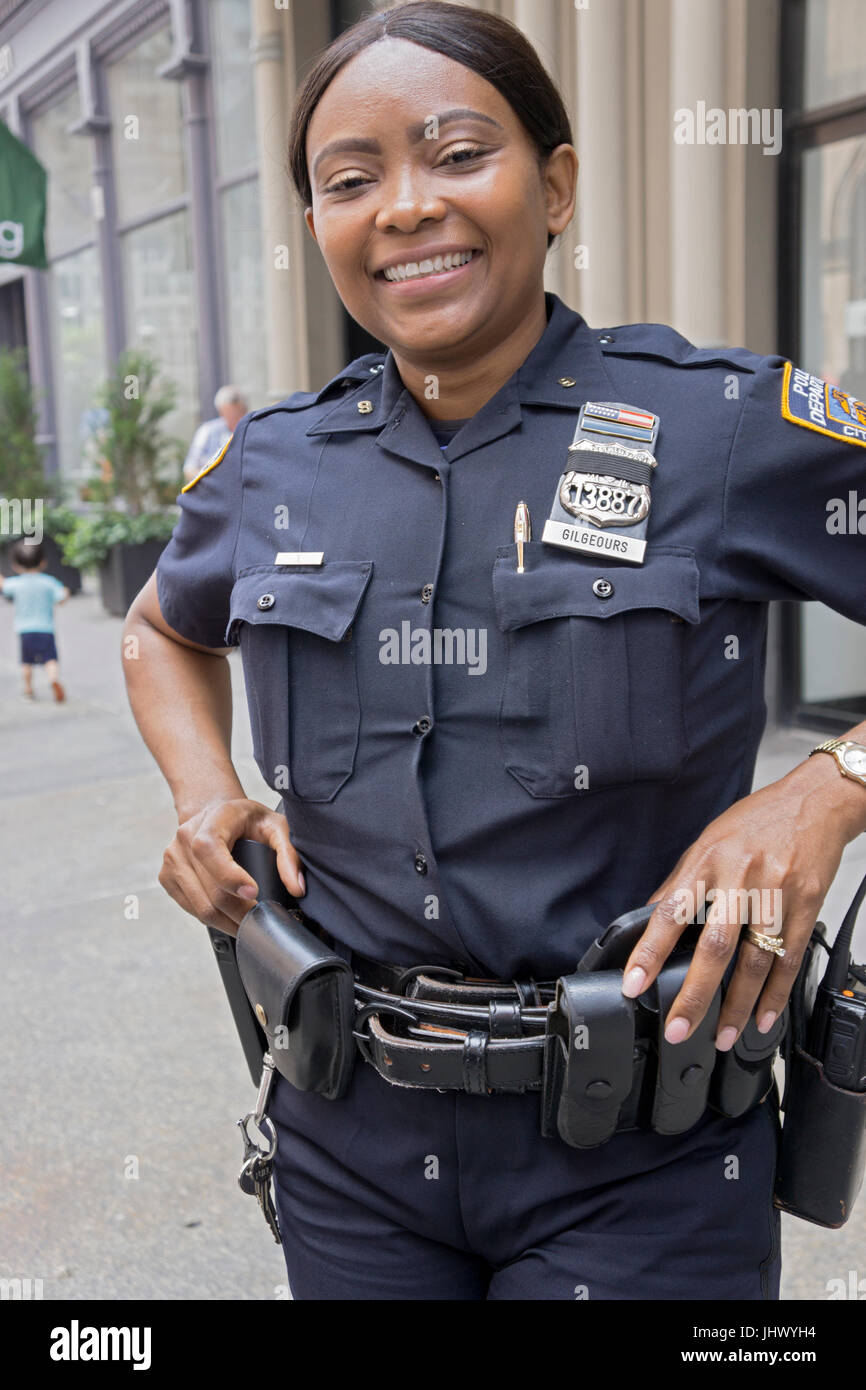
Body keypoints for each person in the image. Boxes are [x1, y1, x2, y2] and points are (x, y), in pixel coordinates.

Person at [122, 1, 866, 1301]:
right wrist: (202, 791)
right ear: (315, 230)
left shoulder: (718, 428)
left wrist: (828, 788)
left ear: (557, 183)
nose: (403, 207)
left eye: (457, 154)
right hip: (348, 1143)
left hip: (648, 1155)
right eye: (349, 181)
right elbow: (155, 629)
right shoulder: (270, 462)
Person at [1, 539, 68, 702]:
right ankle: (53, 679)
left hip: (25, 631)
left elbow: (3, 586)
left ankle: (28, 690)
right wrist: (65, 593)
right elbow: (61, 597)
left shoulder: (16, 584)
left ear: (15, 565)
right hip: (46, 629)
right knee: (50, 659)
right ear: (43, 562)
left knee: (26, 662)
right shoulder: (48, 582)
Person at [182, 385, 248, 483]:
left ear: (245, 410)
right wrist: (211, 481)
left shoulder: (253, 431)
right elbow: (189, 469)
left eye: (238, 414)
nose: (235, 419)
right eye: (229, 414)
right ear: (221, 412)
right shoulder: (207, 431)